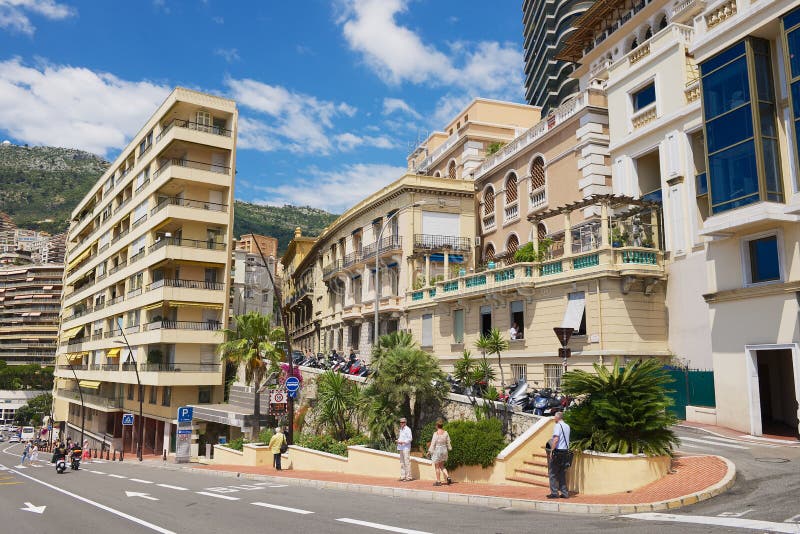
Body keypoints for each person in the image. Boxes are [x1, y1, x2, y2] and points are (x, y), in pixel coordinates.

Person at [547, 411, 571, 499]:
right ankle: (564, 493)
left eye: (555, 417)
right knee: (562, 473)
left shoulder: (557, 426)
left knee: (552, 473)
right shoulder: (567, 426)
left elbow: (556, 439)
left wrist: (552, 451)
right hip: (565, 452)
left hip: (558, 452)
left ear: (558, 418)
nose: (554, 418)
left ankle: (554, 493)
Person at [427, 420, 452, 486]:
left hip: (437, 450)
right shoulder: (446, 433)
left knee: (437, 467)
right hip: (444, 450)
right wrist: (449, 448)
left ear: (437, 426)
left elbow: (433, 444)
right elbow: (448, 441)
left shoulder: (436, 434)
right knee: (442, 465)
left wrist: (429, 451)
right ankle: (448, 477)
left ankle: (438, 481)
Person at [396, 417, 413, 481]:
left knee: (407, 462)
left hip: (406, 447)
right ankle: (403, 476)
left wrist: (403, 442)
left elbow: (410, 438)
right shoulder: (401, 429)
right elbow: (401, 437)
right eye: (400, 422)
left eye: (403, 422)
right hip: (401, 447)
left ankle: (408, 477)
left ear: (405, 423)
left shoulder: (408, 429)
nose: (401, 423)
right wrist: (398, 440)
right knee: (402, 462)